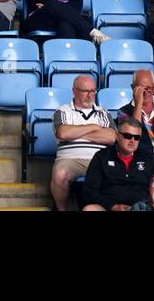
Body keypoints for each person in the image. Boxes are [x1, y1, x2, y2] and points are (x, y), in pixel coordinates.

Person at [50, 75, 115, 212]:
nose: (90, 95)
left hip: (99, 159)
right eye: (85, 91)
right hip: (71, 160)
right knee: (60, 174)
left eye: (93, 91)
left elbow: (112, 137)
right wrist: (93, 126)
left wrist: (76, 132)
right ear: (74, 91)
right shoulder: (63, 111)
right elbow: (63, 133)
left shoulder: (103, 112)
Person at [80, 116, 154, 211]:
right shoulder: (102, 156)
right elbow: (89, 191)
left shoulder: (147, 158)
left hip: (141, 208)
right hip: (109, 207)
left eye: (137, 137)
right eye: (128, 136)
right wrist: (112, 206)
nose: (132, 141)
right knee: (89, 209)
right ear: (117, 136)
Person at [116, 69, 154, 173]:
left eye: (149, 88)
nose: (145, 92)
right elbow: (132, 136)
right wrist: (138, 105)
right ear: (132, 88)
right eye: (140, 88)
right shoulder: (123, 112)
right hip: (136, 166)